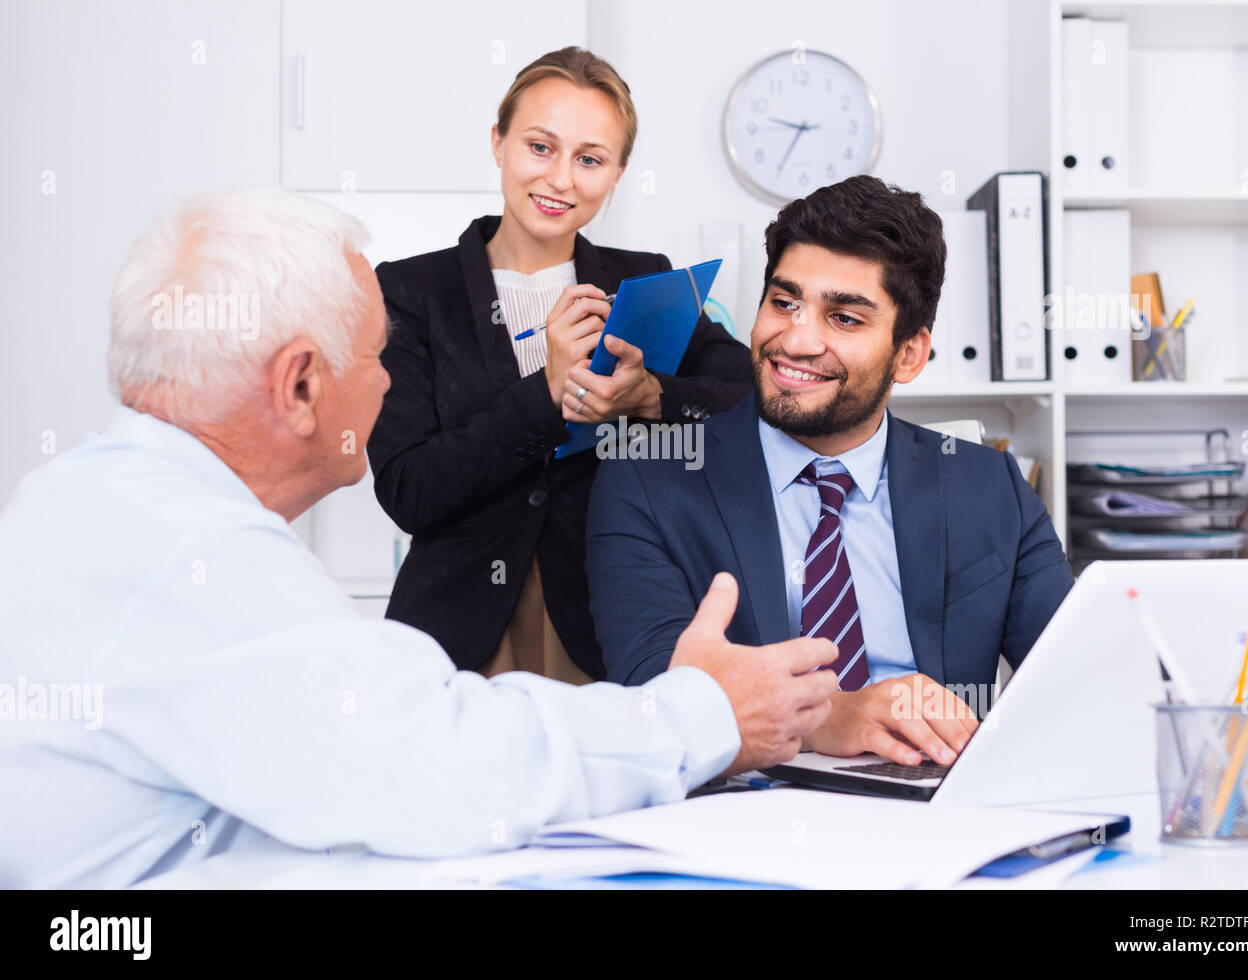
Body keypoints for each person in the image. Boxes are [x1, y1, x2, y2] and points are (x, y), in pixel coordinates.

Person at [0, 190, 837, 889]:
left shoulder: (78, 497)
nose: (393, 380)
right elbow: (439, 764)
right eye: (377, 357)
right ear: (299, 385)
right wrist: (704, 712)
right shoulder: (191, 554)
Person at [587, 175, 1075, 767]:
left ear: (910, 354)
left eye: (844, 318)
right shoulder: (648, 479)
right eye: (784, 302)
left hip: (936, 812)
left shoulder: (990, 486)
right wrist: (825, 718)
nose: (795, 340)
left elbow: (1078, 683)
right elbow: (649, 700)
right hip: (743, 817)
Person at [367, 47, 752, 684]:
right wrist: (544, 396)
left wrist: (649, 397)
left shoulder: (643, 279)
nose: (561, 179)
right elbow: (410, 489)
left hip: (613, 621)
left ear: (619, 172)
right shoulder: (412, 292)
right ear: (498, 142)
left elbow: (749, 392)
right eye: (540, 147)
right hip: (457, 633)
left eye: (590, 159)